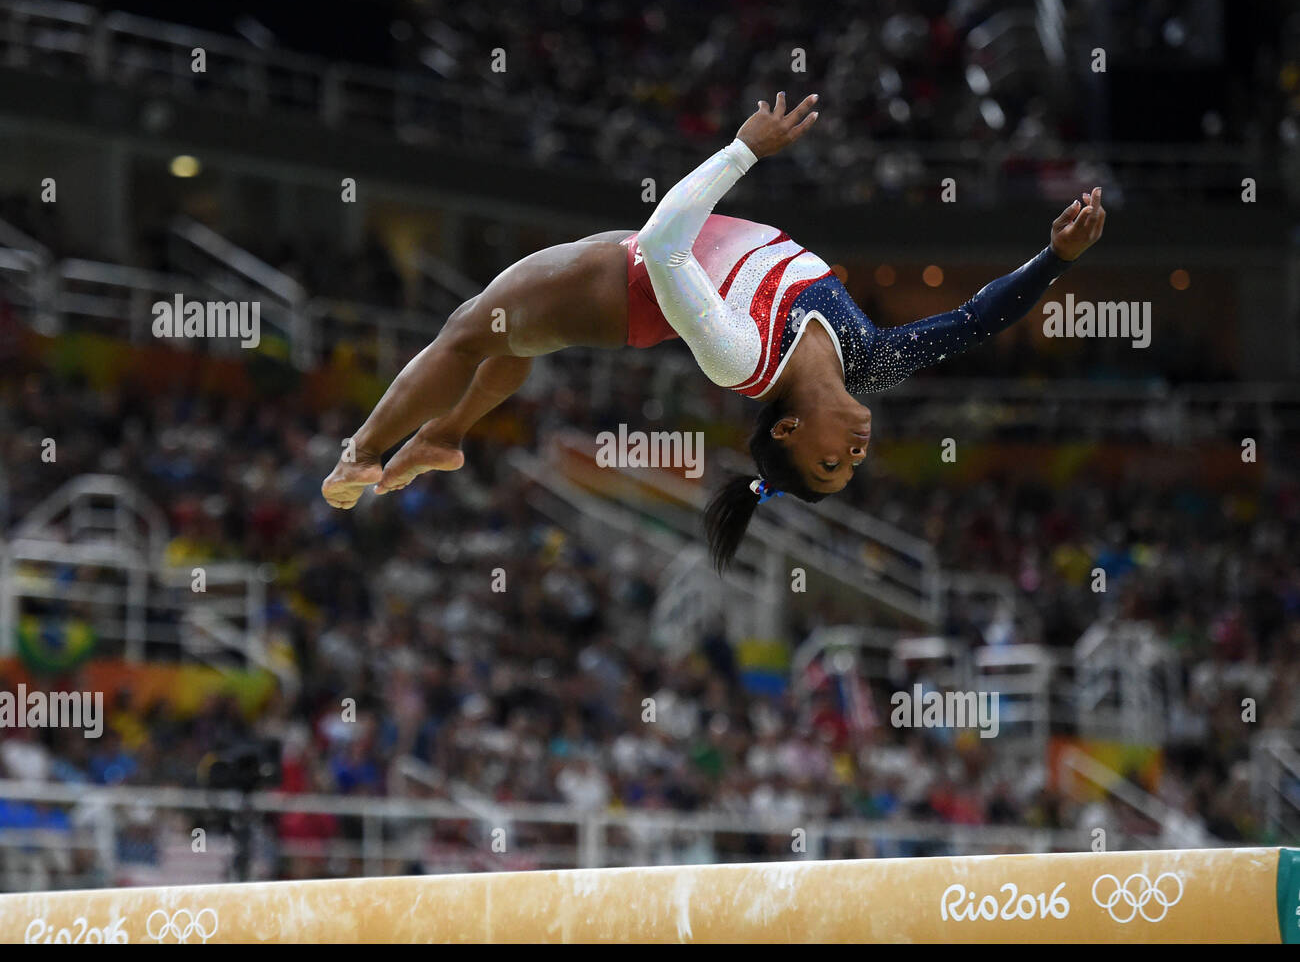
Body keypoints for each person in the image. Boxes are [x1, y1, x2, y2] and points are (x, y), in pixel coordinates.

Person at [321, 92, 1106, 569]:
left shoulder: (742, 357)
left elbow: (665, 241)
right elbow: (972, 322)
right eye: (853, 464)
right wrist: (1054, 259)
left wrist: (743, 150)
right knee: (511, 343)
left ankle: (360, 452)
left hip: (621, 281)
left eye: (830, 461)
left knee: (467, 330)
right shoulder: (869, 358)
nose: (857, 451)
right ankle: (447, 433)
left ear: (791, 429)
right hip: (626, 296)